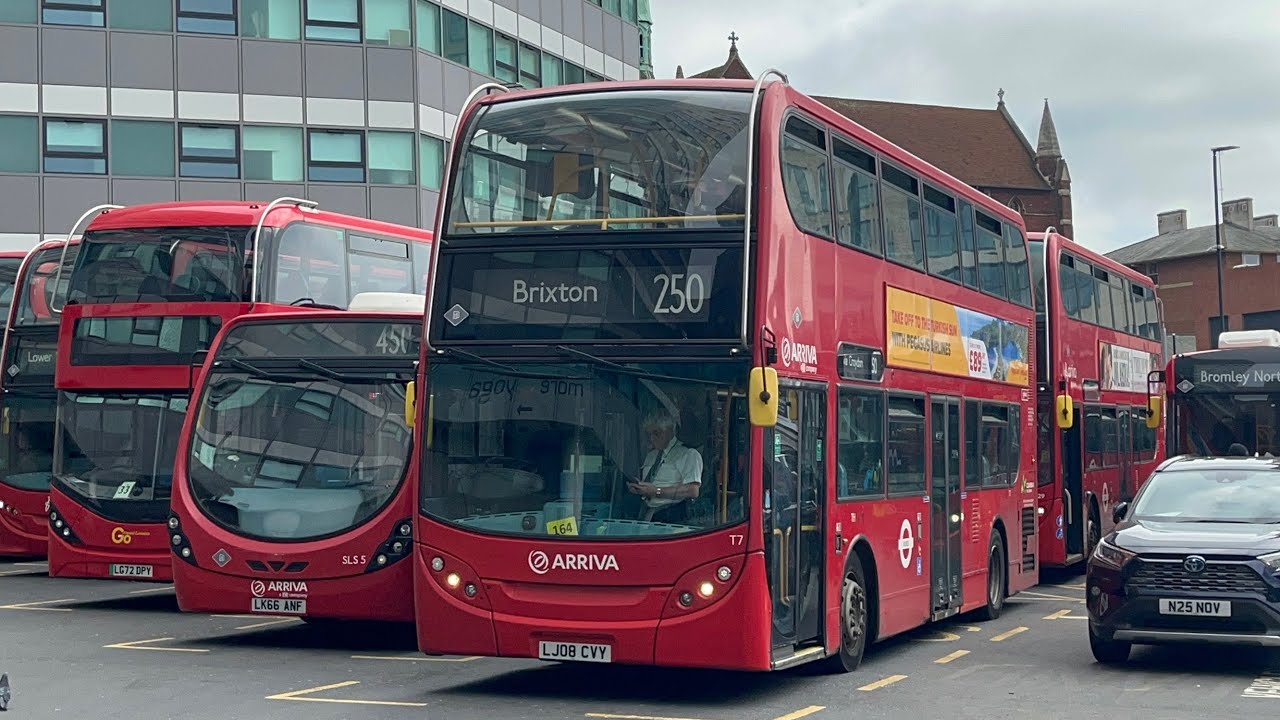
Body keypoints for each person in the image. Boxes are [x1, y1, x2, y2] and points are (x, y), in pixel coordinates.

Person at [628, 410, 703, 523]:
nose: (652, 438)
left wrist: (656, 491)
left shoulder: (688, 454)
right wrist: (641, 489)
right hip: (647, 514)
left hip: (673, 516)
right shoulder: (651, 456)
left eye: (656, 433)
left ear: (669, 431)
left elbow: (692, 490)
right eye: (649, 434)